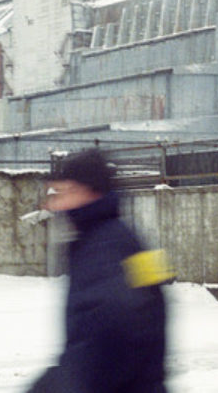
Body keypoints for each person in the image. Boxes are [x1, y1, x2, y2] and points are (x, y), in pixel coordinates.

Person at [26, 148, 173, 393]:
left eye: (61, 192)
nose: (53, 203)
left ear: (85, 191)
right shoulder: (115, 238)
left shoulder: (105, 248)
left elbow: (104, 344)